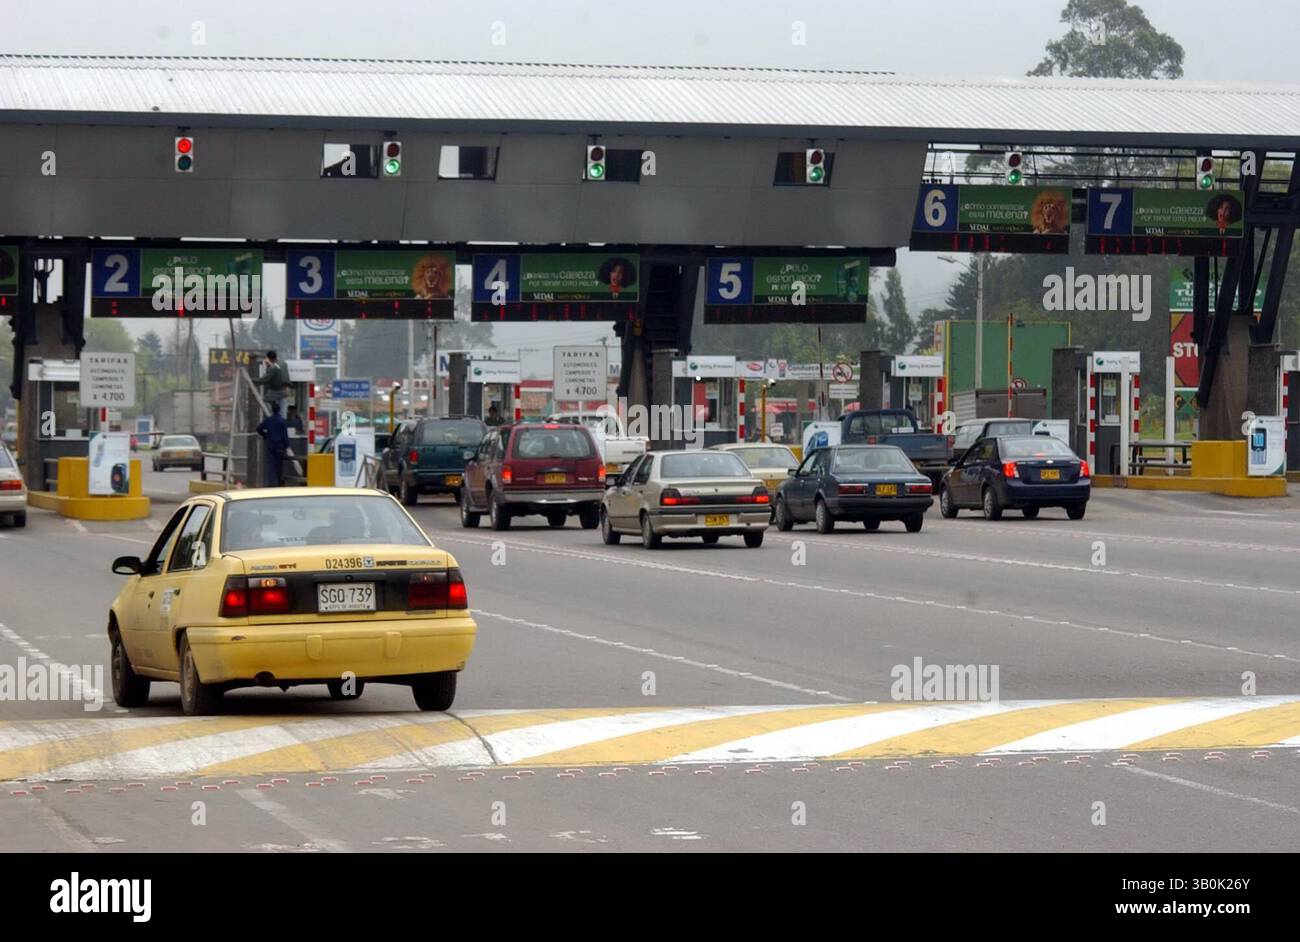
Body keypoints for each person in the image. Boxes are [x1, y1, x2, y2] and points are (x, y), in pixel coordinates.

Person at [256, 401, 289, 487]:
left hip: (270, 445)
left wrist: (265, 435)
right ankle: (279, 482)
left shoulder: (268, 420)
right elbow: (285, 435)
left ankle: (270, 483)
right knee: (279, 465)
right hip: (280, 447)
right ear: (279, 410)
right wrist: (286, 445)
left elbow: (258, 428)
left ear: (272, 410)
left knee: (271, 465)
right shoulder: (282, 421)